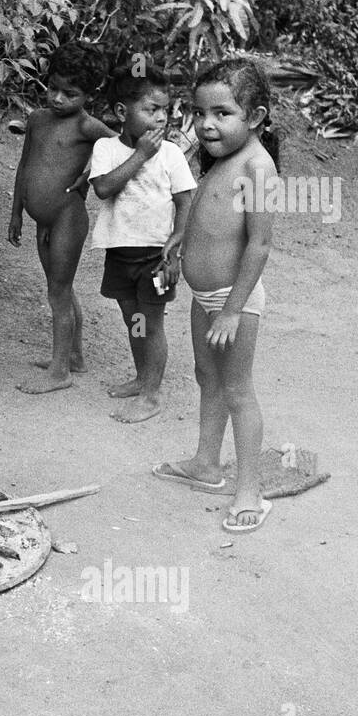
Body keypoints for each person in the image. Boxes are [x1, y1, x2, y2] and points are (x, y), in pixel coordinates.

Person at [154, 59, 279, 532]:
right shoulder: (221, 160)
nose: (207, 123)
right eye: (200, 112)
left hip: (234, 301)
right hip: (204, 298)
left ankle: (249, 491)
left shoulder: (257, 166)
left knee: (237, 390)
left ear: (256, 116)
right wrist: (179, 238)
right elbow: (209, 217)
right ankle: (206, 464)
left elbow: (259, 243)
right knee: (207, 377)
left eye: (222, 113)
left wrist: (231, 310)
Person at [87, 66, 196, 423]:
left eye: (166, 109)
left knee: (152, 323)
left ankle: (151, 395)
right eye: (152, 109)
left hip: (159, 259)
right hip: (121, 255)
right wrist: (139, 157)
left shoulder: (171, 154)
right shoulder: (106, 148)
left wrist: (176, 246)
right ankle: (141, 377)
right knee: (133, 318)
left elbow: (185, 200)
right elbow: (103, 187)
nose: (162, 117)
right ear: (122, 113)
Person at [9, 43, 118, 393]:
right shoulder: (37, 120)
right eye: (52, 87)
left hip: (68, 218)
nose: (57, 98)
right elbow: (24, 166)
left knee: (57, 293)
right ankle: (74, 357)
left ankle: (60, 372)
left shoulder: (88, 127)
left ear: (89, 94)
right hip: (42, 221)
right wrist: (15, 214)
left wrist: (90, 172)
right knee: (61, 289)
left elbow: (121, 149)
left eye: (69, 93)